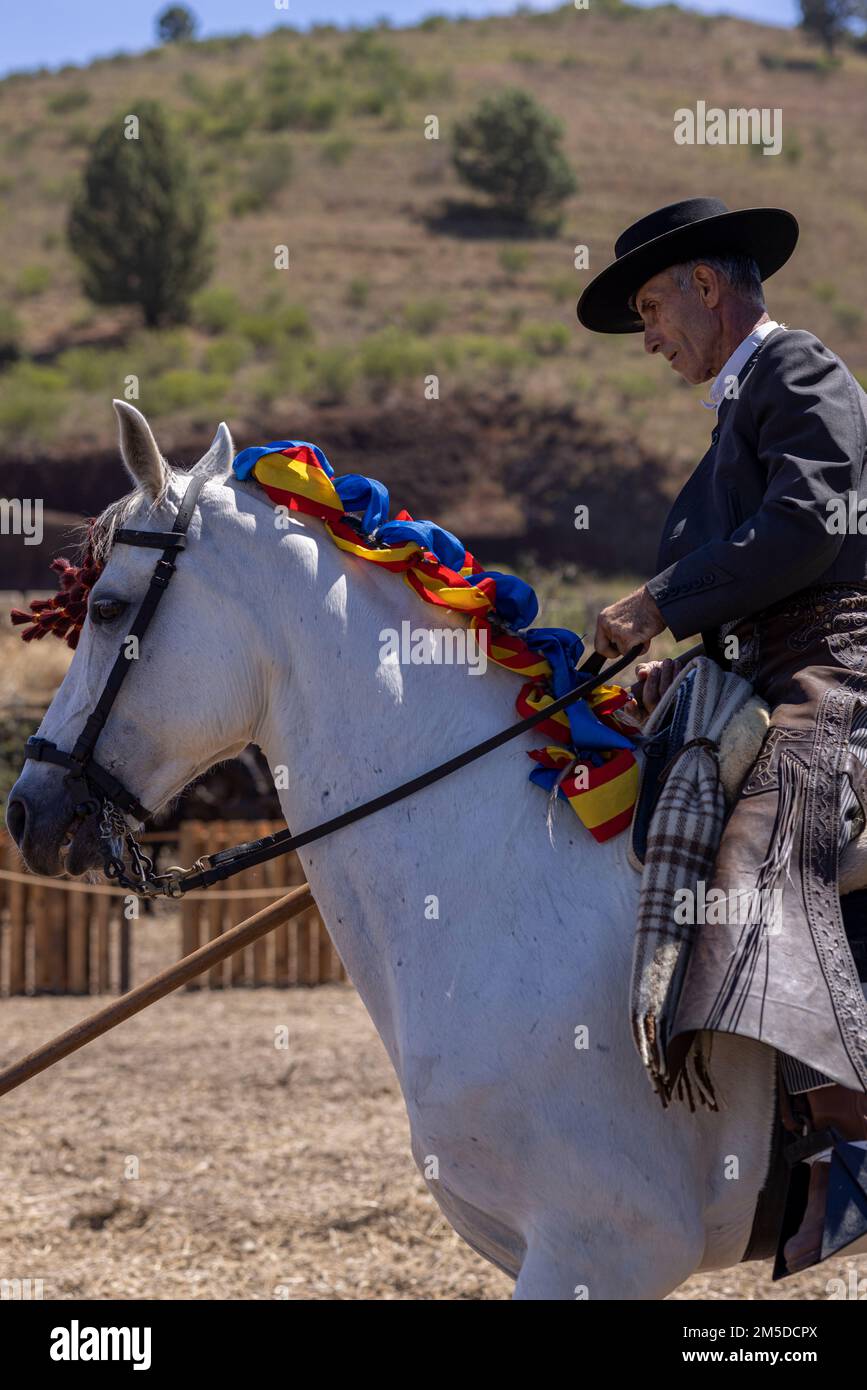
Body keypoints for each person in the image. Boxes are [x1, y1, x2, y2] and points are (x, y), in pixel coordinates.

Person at [576, 197, 867, 1272]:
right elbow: (753, 583)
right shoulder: (737, 409)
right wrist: (684, 666)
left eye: (652, 307)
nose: (649, 335)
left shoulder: (801, 372)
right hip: (769, 664)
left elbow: (807, 526)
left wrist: (661, 600)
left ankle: (852, 1136)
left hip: (840, 664)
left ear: (708, 285)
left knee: (765, 838)